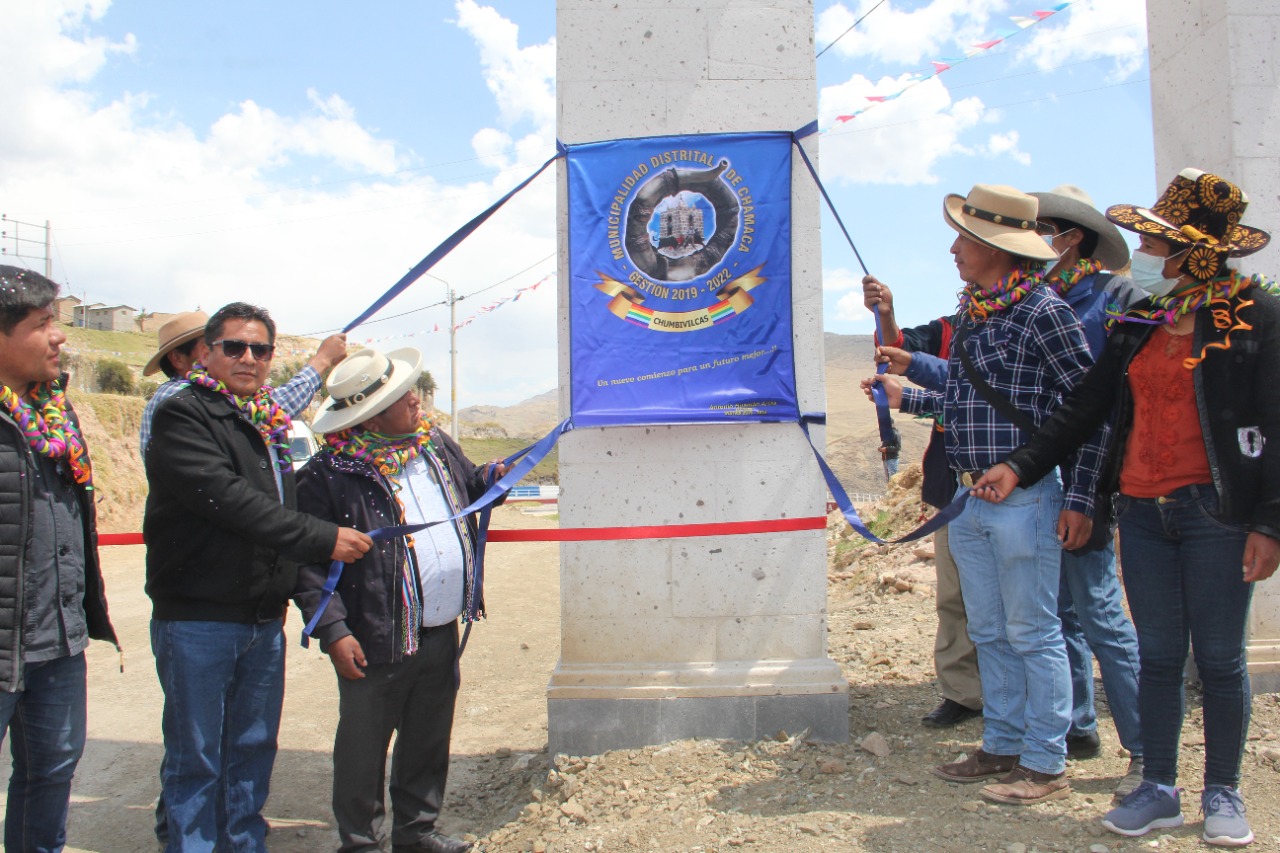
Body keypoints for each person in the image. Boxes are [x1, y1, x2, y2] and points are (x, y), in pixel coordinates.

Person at [974, 168, 1278, 846]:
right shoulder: (1143, 316)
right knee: (1161, 654)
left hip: (1219, 513)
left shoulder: (1258, 315)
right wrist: (1021, 465)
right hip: (1142, 510)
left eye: (1162, 242)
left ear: (1202, 249)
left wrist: (1270, 521)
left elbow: (1275, 420)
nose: (1149, 252)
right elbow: (1088, 404)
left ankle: (1223, 790)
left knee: (1222, 657)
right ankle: (1160, 787)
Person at [865, 184, 1108, 805]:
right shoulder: (979, 311)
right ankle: (1002, 743)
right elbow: (969, 403)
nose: (953, 250)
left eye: (965, 239)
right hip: (972, 498)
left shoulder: (1042, 313)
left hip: (1026, 499)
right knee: (992, 630)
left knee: (1032, 630)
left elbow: (1088, 410)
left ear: (998, 248)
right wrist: (907, 397)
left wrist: (1081, 498)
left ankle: (1046, 760)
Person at [144, 301, 373, 852]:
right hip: (199, 617)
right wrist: (322, 538)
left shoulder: (258, 415)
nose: (249, 358)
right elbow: (231, 501)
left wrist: (321, 361)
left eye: (261, 349)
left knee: (250, 751)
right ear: (203, 353)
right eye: (234, 347)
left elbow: (287, 410)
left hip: (260, 618)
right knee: (196, 758)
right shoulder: (183, 411)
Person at [295, 347, 503, 853]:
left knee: (428, 737)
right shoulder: (328, 475)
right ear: (369, 413)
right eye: (401, 396)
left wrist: (492, 479)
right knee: (364, 747)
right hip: (373, 633)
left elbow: (470, 483)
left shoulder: (434, 446)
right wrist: (334, 630)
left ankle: (418, 833)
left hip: (438, 628)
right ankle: (362, 842)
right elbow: (303, 562)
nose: (415, 400)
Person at [1031, 185, 1145, 798]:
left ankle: (1146, 749)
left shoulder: (1120, 299)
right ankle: (1079, 726)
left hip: (1097, 471)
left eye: (1044, 229)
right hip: (1044, 470)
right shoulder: (1034, 299)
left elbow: (1116, 398)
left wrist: (1091, 486)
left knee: (1100, 611)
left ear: (1071, 237)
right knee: (1060, 611)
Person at [0, 266, 119, 850]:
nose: (59, 337)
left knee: (49, 775)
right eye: (43, 323)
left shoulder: (55, 412)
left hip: (57, 642)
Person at [862, 281, 983, 729]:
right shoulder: (952, 329)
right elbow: (898, 347)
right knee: (954, 595)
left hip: (1011, 481)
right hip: (954, 483)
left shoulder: (1029, 324)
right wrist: (886, 314)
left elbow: (978, 398)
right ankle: (965, 693)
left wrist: (909, 392)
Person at [138, 309, 348, 454]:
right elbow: (267, 411)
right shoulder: (177, 400)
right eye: (229, 347)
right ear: (177, 358)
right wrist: (322, 360)